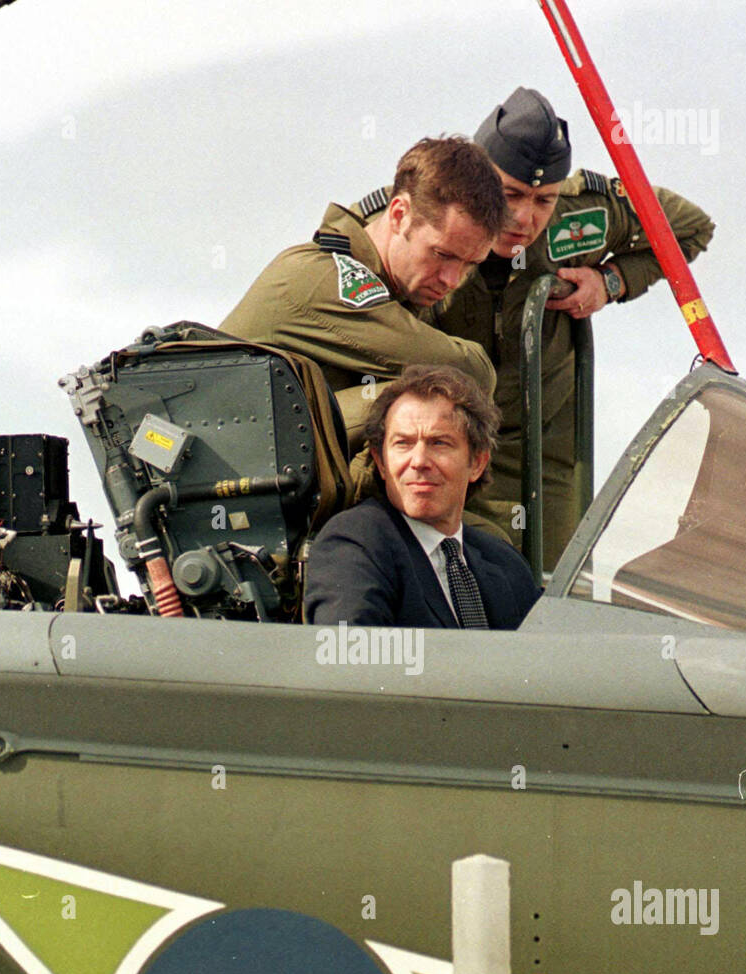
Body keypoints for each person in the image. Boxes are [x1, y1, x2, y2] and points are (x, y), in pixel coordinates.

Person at [351, 90, 716, 568]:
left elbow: (689, 227)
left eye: (543, 199)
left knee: (545, 593)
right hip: (439, 448)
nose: (525, 219)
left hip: (543, 457)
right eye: (510, 196)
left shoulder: (586, 212)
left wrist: (611, 280)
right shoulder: (427, 221)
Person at [219, 137, 506, 453]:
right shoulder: (325, 278)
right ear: (399, 216)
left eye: (470, 264)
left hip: (261, 463)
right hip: (230, 461)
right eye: (442, 254)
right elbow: (469, 372)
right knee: (431, 398)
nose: (453, 280)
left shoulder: (398, 286)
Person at [305, 365, 540, 629]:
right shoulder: (355, 542)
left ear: (477, 462)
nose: (418, 461)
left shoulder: (505, 562)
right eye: (403, 444)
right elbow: (351, 659)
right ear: (381, 462)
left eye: (439, 443)